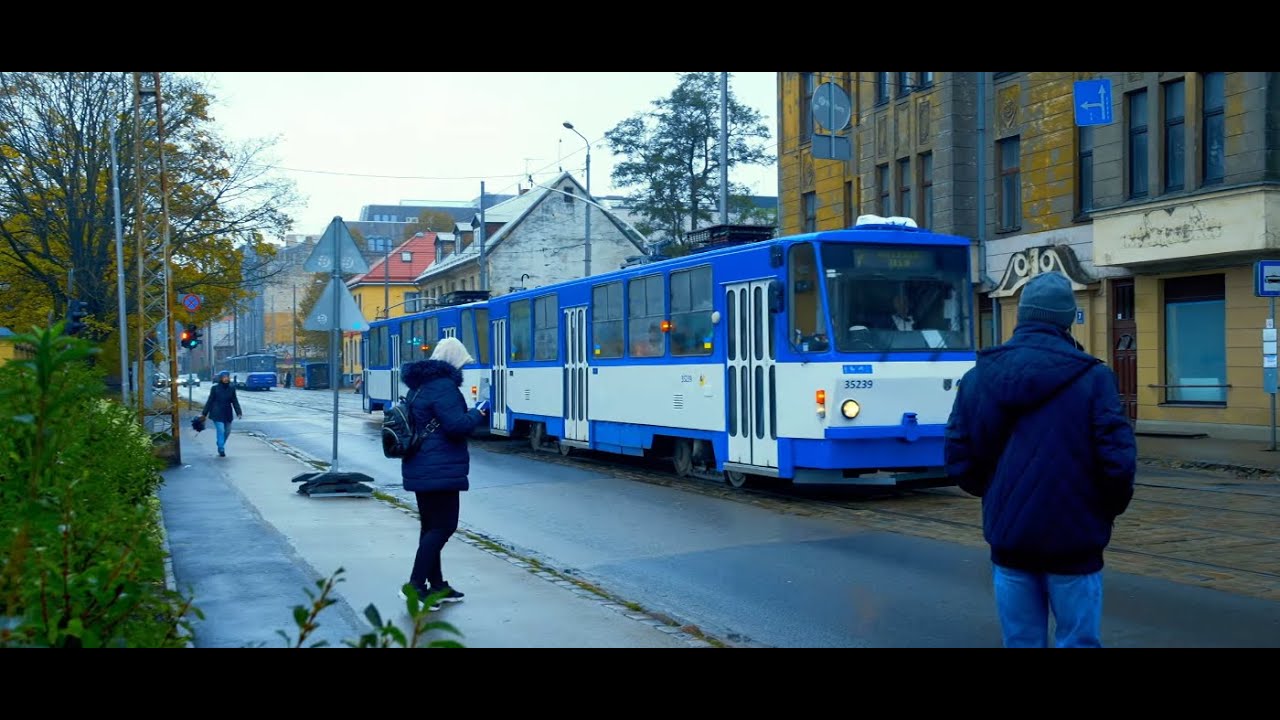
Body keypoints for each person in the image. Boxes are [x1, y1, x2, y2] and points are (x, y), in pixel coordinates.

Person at [943, 272, 1136, 648]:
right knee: (1078, 641)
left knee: (1021, 641)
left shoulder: (979, 376)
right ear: (1067, 319)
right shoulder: (1094, 378)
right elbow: (1118, 462)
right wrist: (1104, 511)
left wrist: (998, 492)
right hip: (1076, 540)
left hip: (1010, 537)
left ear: (1023, 317)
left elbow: (958, 457)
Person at [398, 336, 488, 610]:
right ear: (453, 362)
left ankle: (436, 586)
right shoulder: (444, 387)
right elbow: (457, 426)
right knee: (444, 526)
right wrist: (479, 412)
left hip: (420, 466)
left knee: (430, 528)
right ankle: (414, 586)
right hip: (439, 469)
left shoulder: (420, 386)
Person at [200, 370, 243, 457]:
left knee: (227, 431)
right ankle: (221, 448)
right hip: (217, 412)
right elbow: (210, 401)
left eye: (227, 377)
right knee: (221, 430)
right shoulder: (215, 388)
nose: (226, 379)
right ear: (220, 378)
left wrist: (238, 412)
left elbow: (234, 401)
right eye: (224, 377)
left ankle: (220, 442)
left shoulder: (231, 388)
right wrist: (204, 413)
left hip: (227, 413)